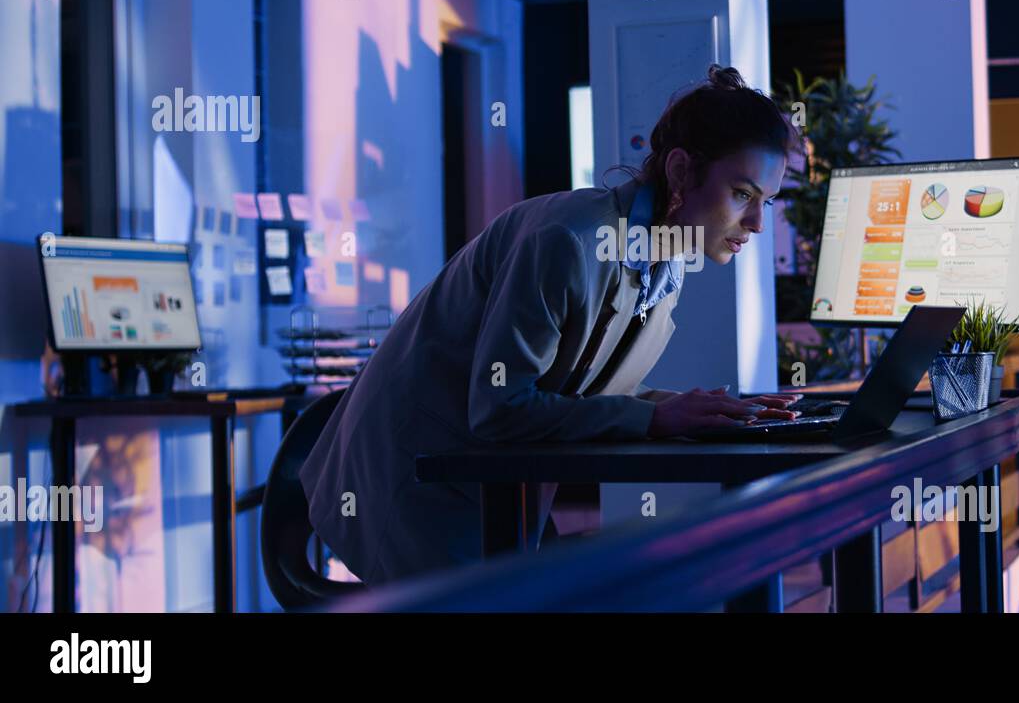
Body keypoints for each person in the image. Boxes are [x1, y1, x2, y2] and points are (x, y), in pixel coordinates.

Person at [300, 64, 803, 584]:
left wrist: (688, 408)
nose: (758, 224)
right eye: (743, 195)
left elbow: (579, 389)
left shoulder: (664, 259)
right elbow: (499, 408)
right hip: (407, 485)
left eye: (766, 202)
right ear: (680, 172)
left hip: (490, 492)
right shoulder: (570, 240)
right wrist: (656, 420)